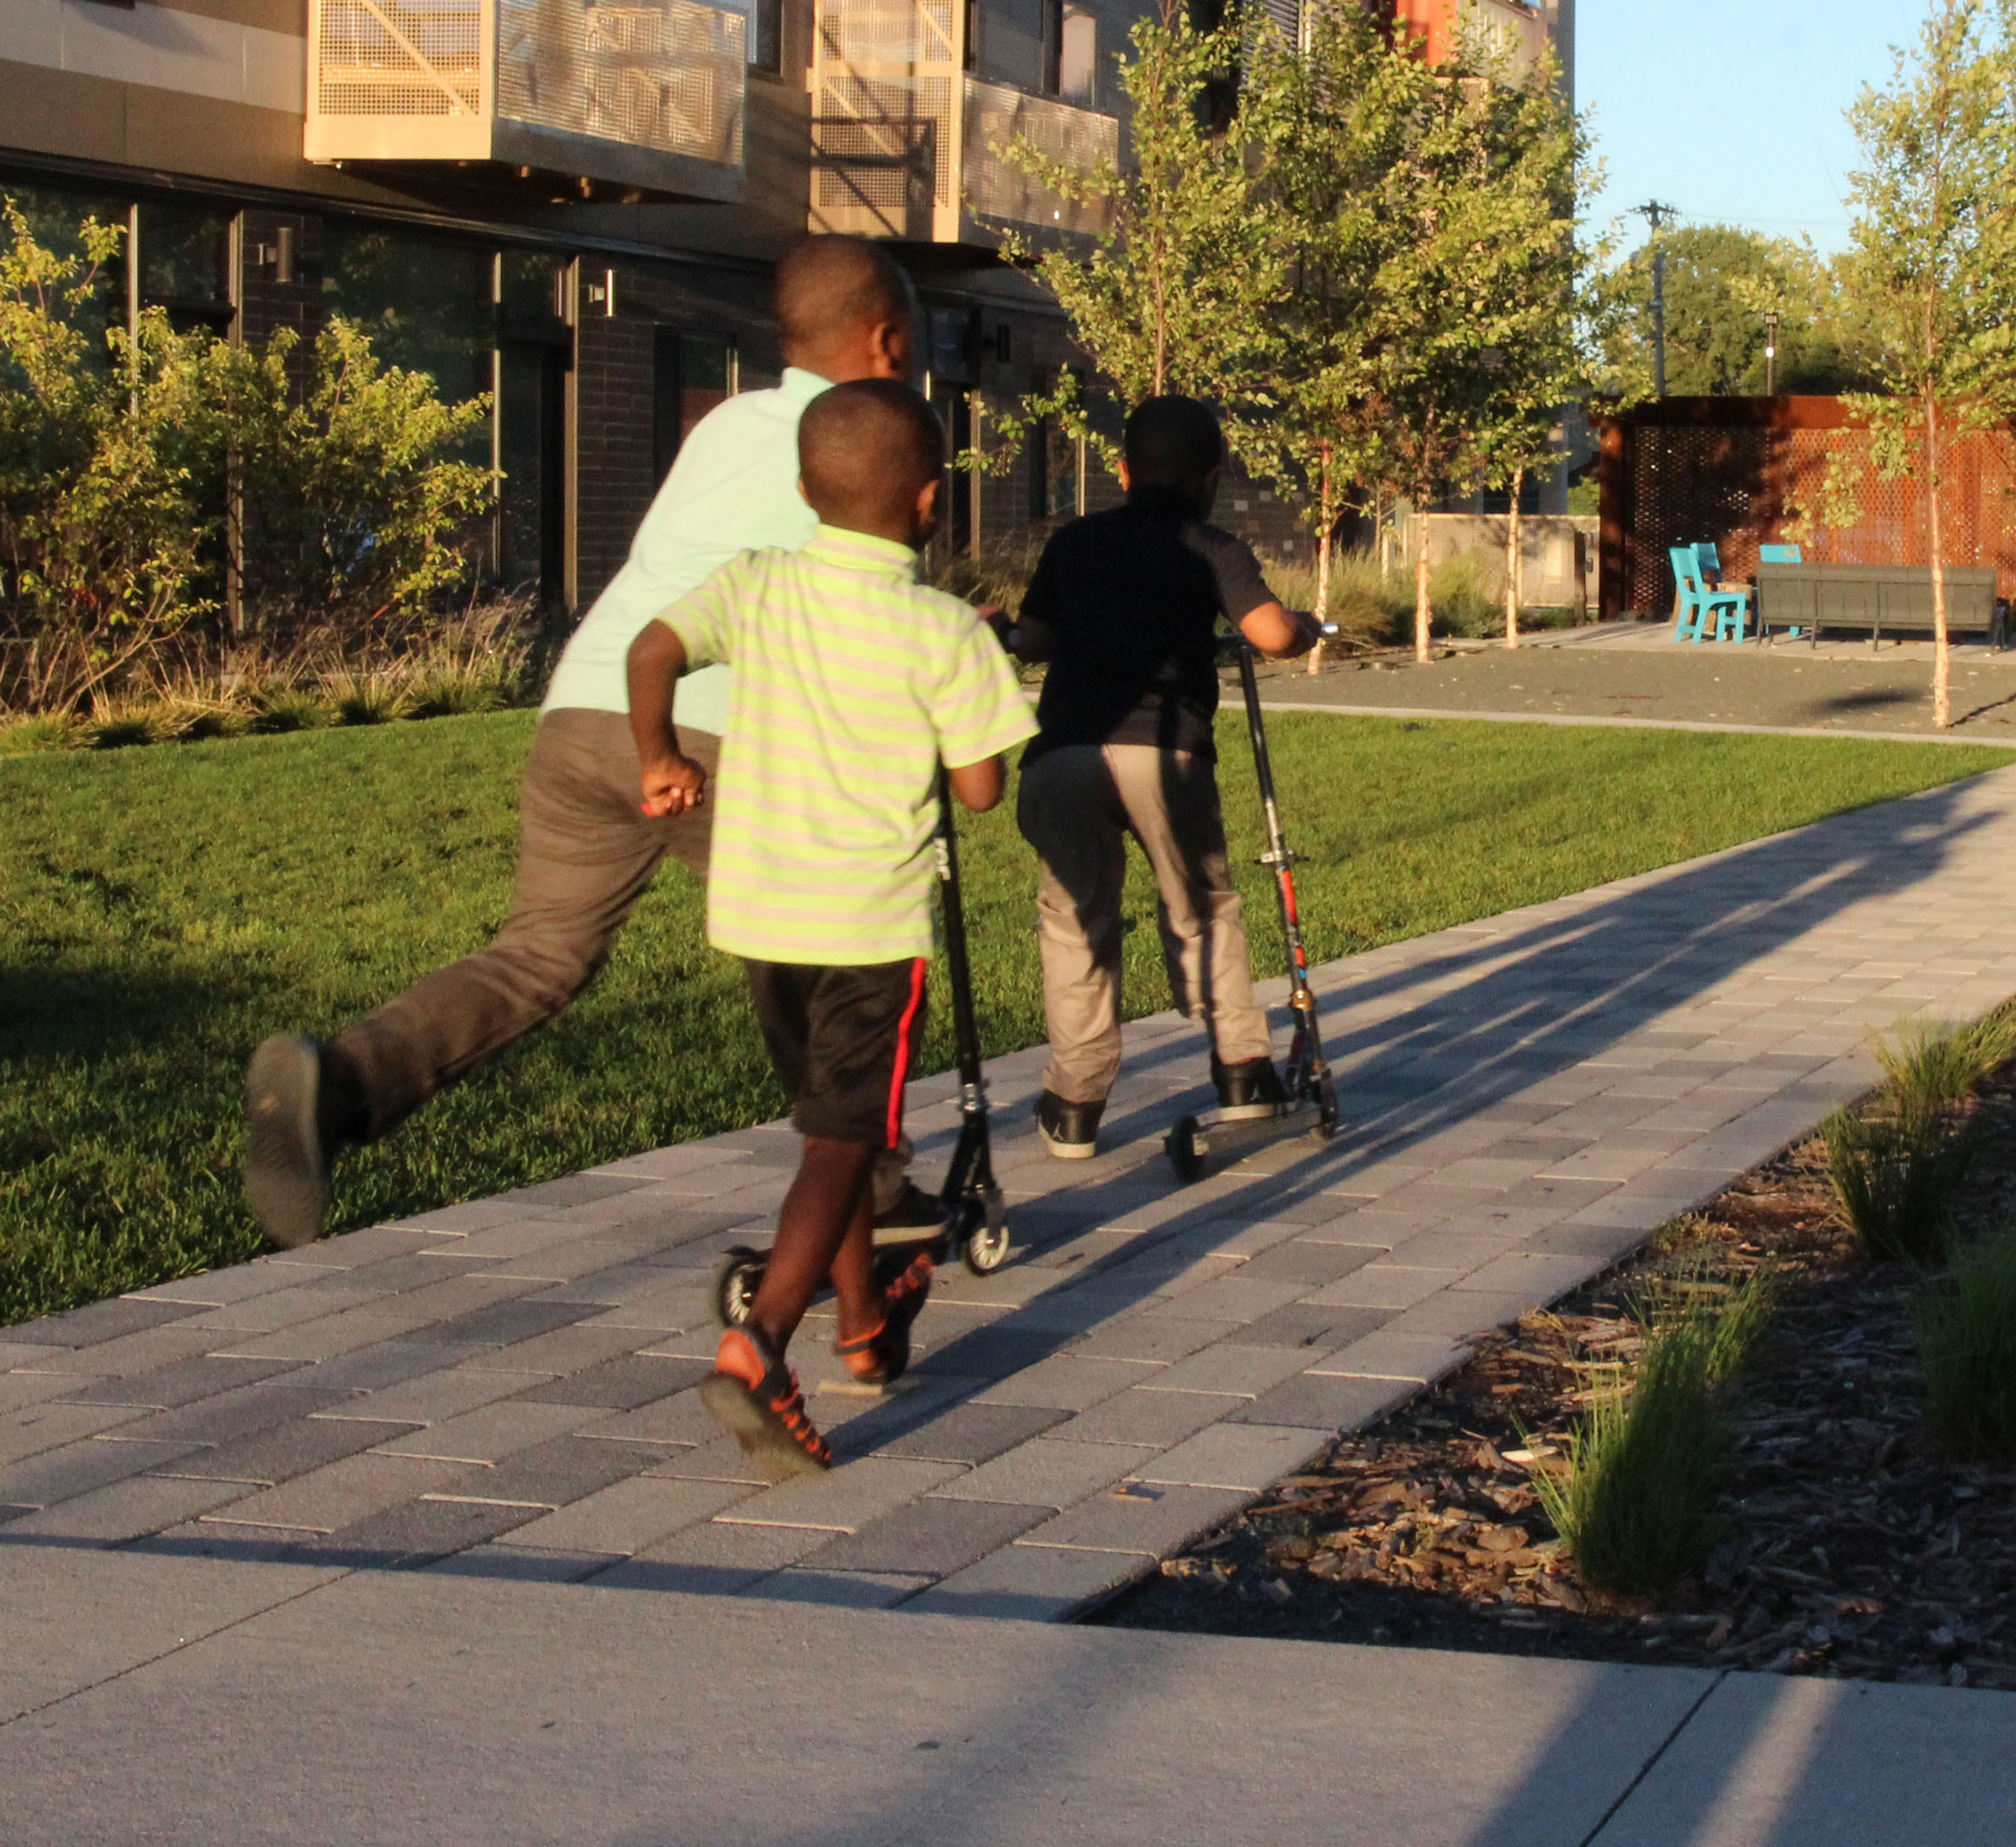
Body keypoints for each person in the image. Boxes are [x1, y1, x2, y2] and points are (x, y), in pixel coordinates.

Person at [239, 239, 919, 1251]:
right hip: (720, 724)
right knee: (824, 950)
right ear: (887, 341)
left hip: (588, 704)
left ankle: (340, 1081)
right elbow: (868, 610)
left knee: (537, 955)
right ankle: (869, 1184)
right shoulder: (869, 440)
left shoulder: (728, 423)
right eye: (913, 352)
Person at [631, 380, 1033, 1474]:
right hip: (868, 926)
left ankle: (862, 1327)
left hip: (761, 915)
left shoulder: (755, 585)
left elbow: (652, 650)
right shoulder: (943, 630)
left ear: (804, 490)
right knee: (845, 1136)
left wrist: (660, 755)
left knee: (833, 1128)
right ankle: (760, 1347)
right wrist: (971, 693)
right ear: (932, 503)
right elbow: (985, 789)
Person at [1002, 396, 1320, 1160]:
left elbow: (1033, 639)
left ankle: (1074, 1104)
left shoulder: (1074, 542)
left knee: (1076, 919)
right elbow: (1271, 633)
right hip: (1164, 751)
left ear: (1120, 471)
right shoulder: (1209, 544)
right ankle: (1243, 1071)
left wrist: (998, 628)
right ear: (1211, 478)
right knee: (1201, 906)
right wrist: (1305, 626)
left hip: (1066, 753)